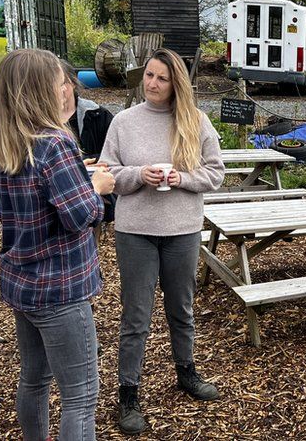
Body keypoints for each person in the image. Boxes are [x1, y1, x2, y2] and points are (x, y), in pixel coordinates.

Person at [0, 49, 116, 441]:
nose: (66, 88)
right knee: (80, 396)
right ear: (41, 89)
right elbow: (80, 216)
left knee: (34, 379)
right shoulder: (55, 144)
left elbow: (35, 204)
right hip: (60, 289)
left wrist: (79, 180)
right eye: (59, 82)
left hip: (22, 284)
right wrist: (96, 186)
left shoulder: (3, 144)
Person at [100, 48, 225, 435]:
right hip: (135, 231)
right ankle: (128, 393)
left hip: (182, 230)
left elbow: (215, 173)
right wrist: (140, 174)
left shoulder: (196, 122)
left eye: (161, 78)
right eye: (148, 76)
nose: (152, 84)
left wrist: (181, 179)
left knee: (181, 310)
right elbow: (107, 173)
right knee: (136, 316)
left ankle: (186, 373)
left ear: (176, 84)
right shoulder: (123, 121)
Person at [59, 61, 116, 222]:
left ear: (73, 82)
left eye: (63, 82)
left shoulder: (97, 114)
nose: (61, 89)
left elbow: (113, 152)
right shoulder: (40, 122)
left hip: (96, 185)